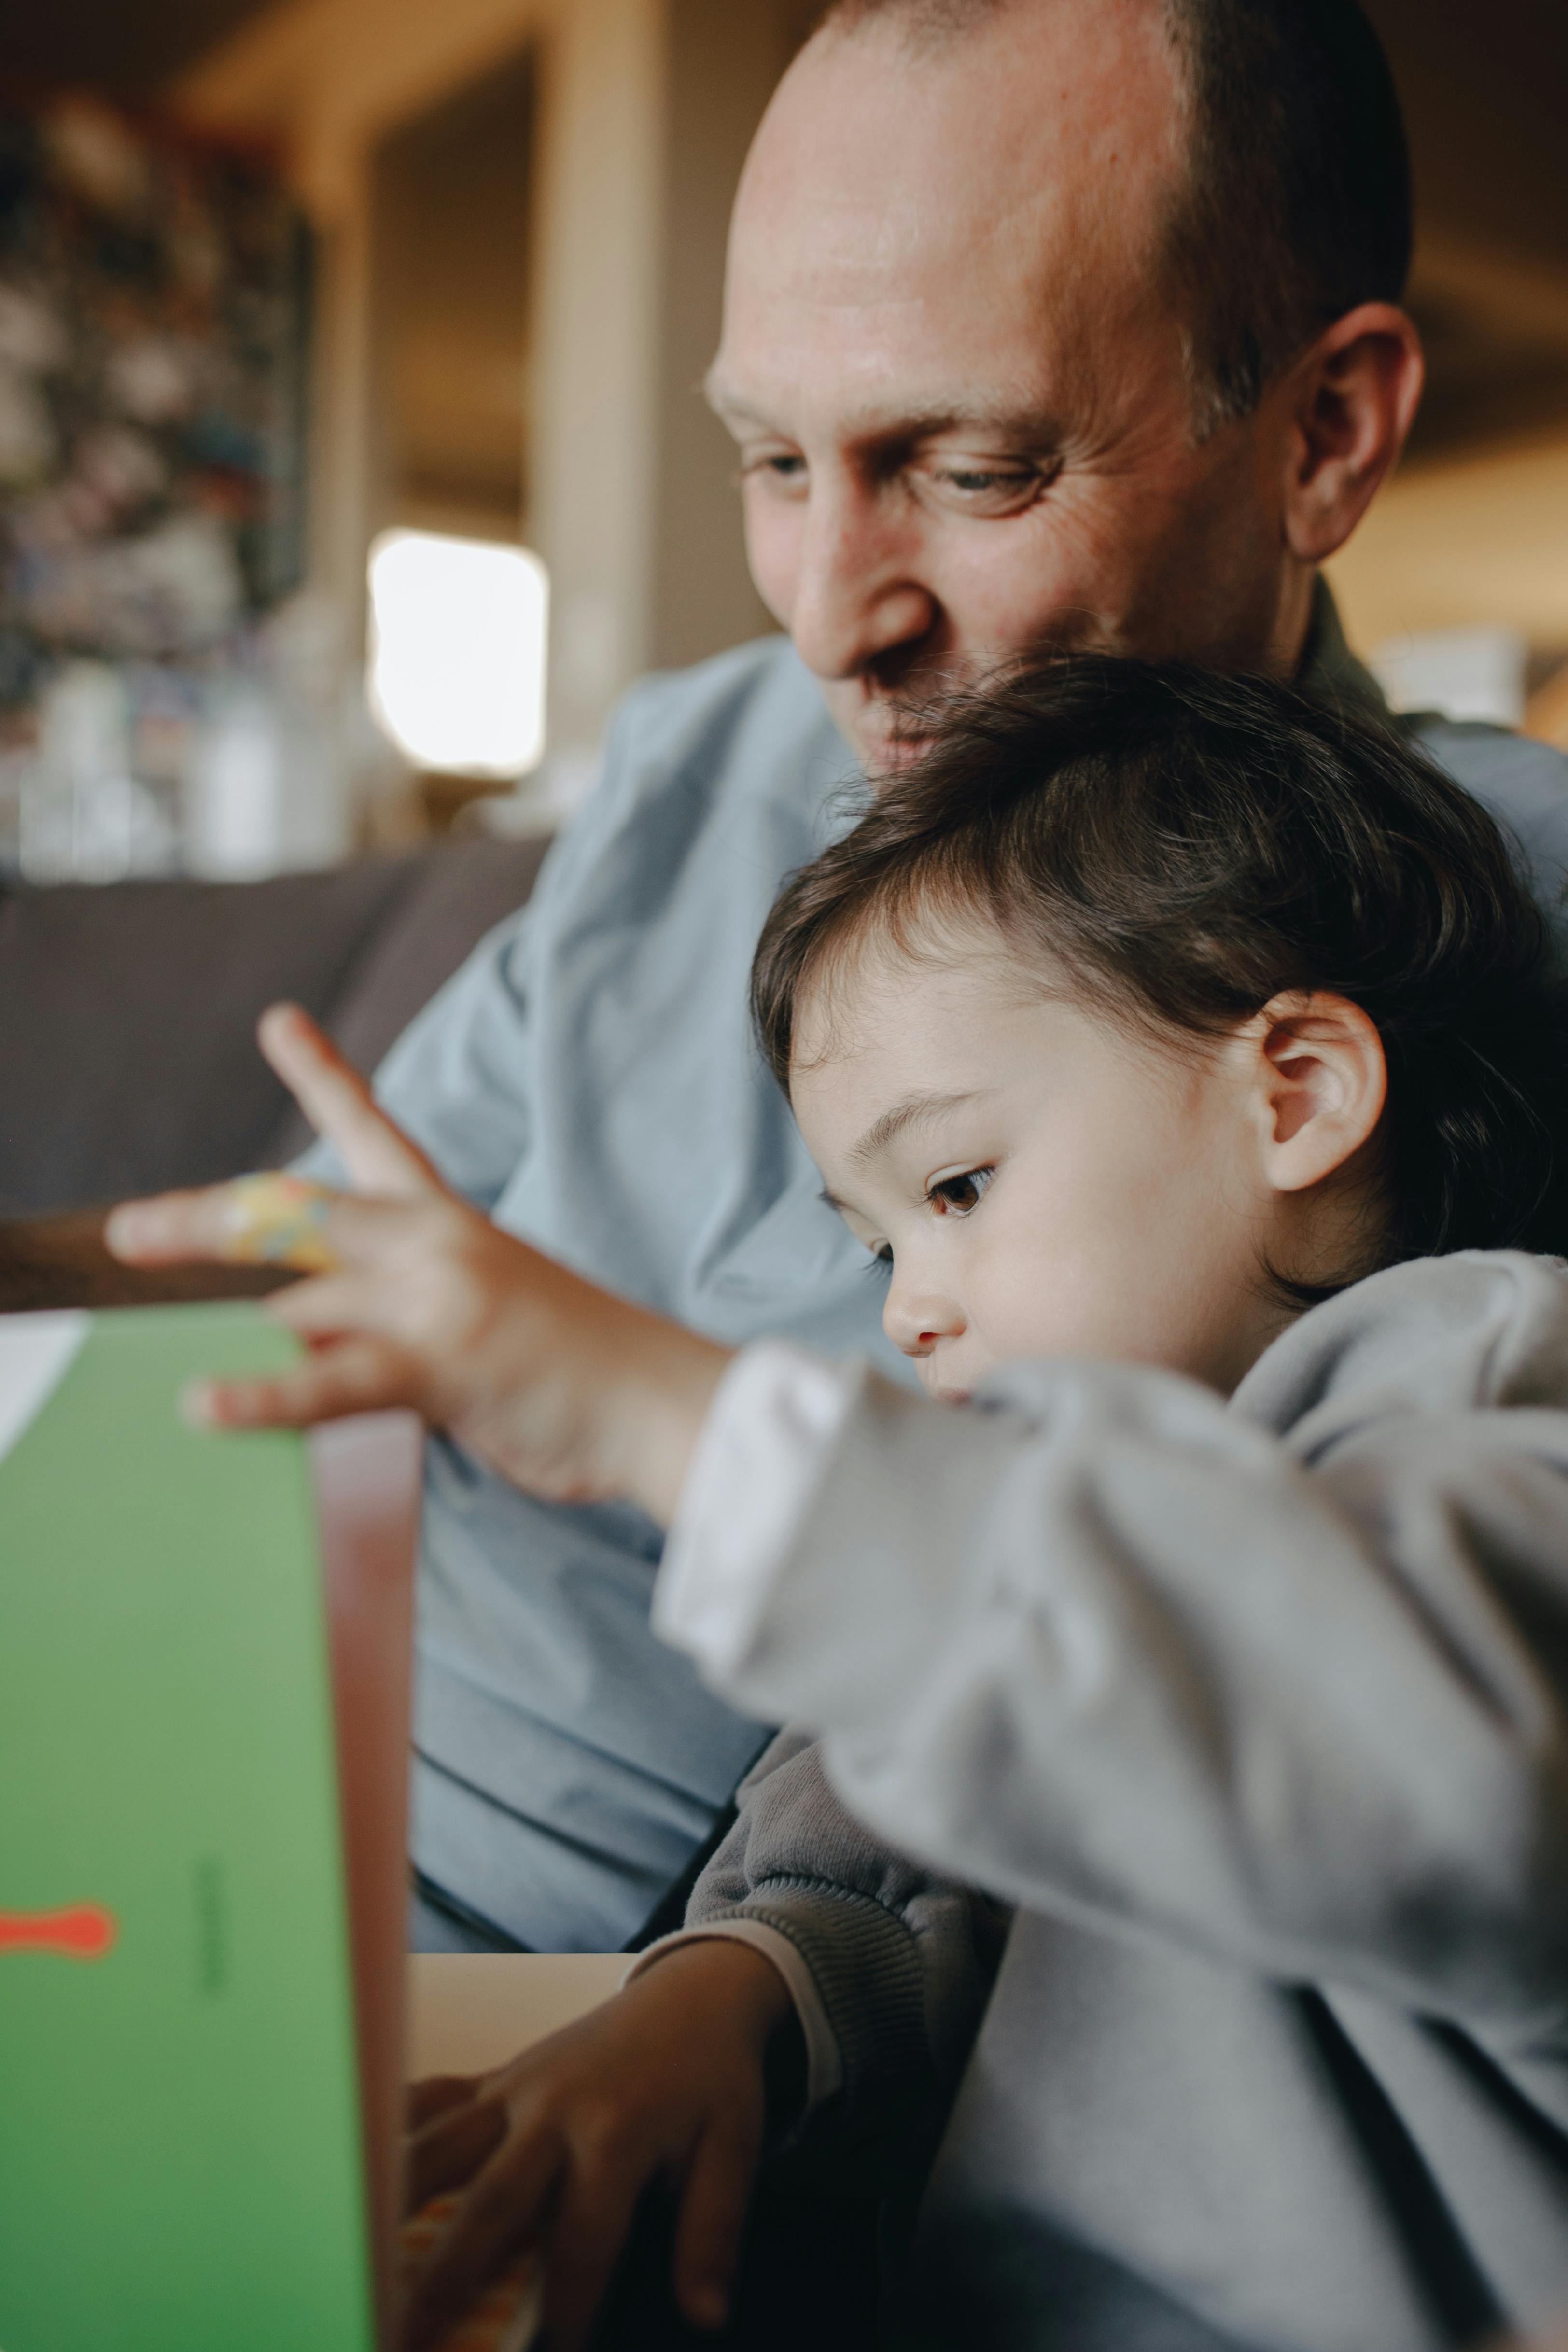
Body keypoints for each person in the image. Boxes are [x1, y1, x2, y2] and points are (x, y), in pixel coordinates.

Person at [36, 0, 1568, 1951]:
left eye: (978, 467)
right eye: (773, 458)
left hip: (596, 1980)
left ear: (1322, 435)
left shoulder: (1471, 923)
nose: (832, 620)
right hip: (183, 1752)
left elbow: (1348, 1722)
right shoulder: (704, 763)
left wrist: (761, 1984)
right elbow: (319, 1241)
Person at [111, 663, 1568, 2352]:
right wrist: (741, 1999)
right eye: (882, 1243)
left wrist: (659, 1405)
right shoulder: (1001, 1525)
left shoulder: (1477, 1378)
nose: (904, 1308)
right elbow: (900, 1880)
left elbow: (1362, 1734)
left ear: (1296, 1092)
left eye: (959, 1185)